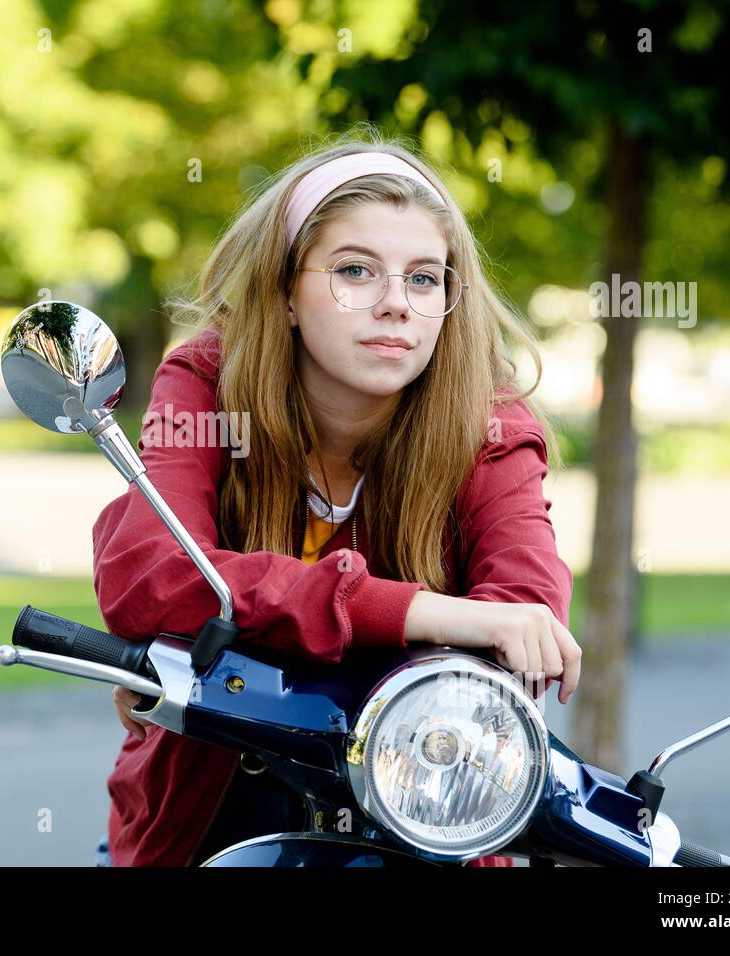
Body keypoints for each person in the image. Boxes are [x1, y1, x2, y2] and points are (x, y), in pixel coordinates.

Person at [91, 127, 581, 868]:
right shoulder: (206, 383)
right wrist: (428, 612)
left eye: (424, 279)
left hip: (423, 810)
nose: (395, 305)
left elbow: (523, 615)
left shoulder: (489, 422)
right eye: (356, 271)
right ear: (286, 290)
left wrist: (242, 620)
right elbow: (153, 571)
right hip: (205, 813)